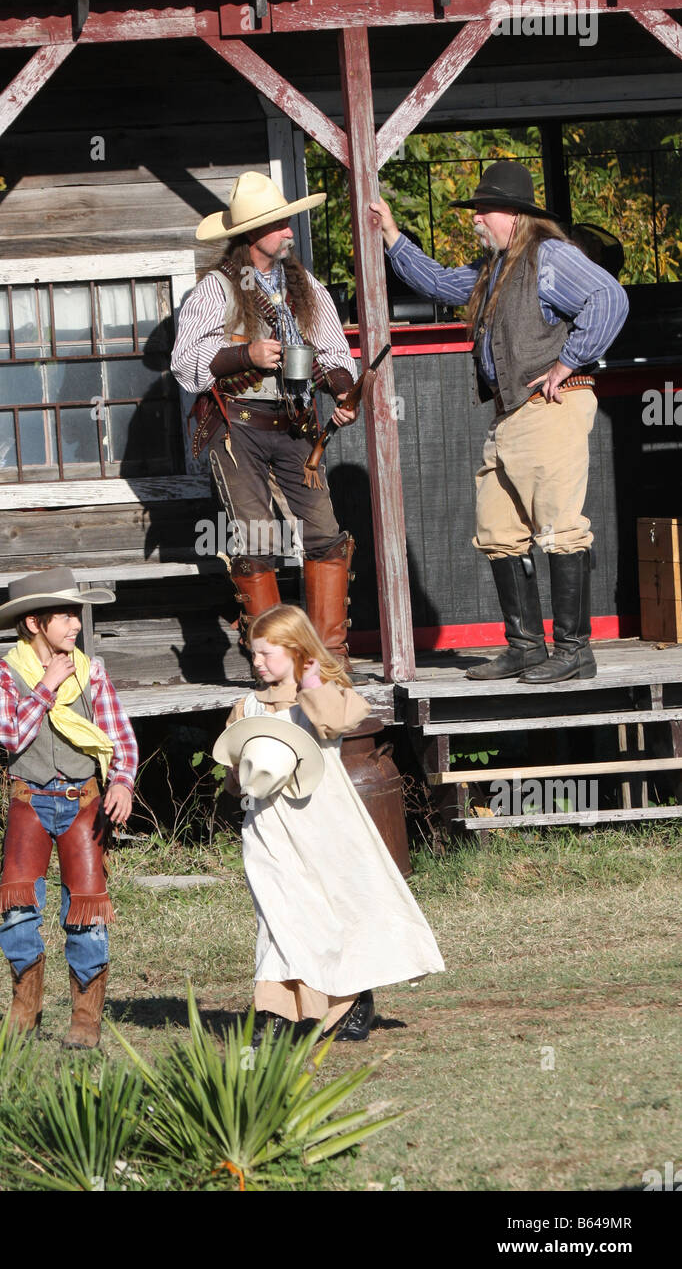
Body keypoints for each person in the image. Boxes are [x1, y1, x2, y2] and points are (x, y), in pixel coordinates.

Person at [370, 161, 629, 683]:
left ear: (512, 215)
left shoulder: (548, 256)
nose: (475, 220)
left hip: (550, 409)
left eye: (483, 211)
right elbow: (441, 283)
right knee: (498, 528)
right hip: (511, 416)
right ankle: (526, 645)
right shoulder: (496, 266)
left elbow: (609, 298)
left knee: (558, 527)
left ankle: (574, 650)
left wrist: (569, 360)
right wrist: (393, 235)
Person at [214, 605, 444, 1043]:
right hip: (268, 827)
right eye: (254, 654)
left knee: (334, 915)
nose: (257, 663)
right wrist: (243, 777)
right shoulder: (246, 706)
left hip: (326, 824)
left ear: (298, 651)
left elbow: (336, 721)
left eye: (268, 653)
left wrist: (312, 679)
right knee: (280, 916)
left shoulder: (325, 693)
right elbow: (233, 771)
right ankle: (276, 1013)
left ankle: (352, 998)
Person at [171, 171, 360, 663]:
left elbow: (336, 354)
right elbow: (185, 363)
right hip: (237, 429)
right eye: (280, 224)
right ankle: (271, 662)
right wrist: (246, 354)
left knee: (325, 534)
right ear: (253, 234)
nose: (290, 233)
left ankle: (329, 660)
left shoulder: (306, 288)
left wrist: (343, 390)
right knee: (256, 539)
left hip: (296, 425)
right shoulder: (217, 288)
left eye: (288, 222)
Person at [0, 567, 138, 1048]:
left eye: (76, 615)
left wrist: (123, 782)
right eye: (65, 616)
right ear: (34, 624)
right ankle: (25, 1008)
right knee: (18, 908)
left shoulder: (92, 673)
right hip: (29, 801)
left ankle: (85, 1017)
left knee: (86, 909)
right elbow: (10, 735)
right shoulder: (6, 674)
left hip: (82, 802)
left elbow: (119, 736)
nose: (75, 624)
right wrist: (46, 685)